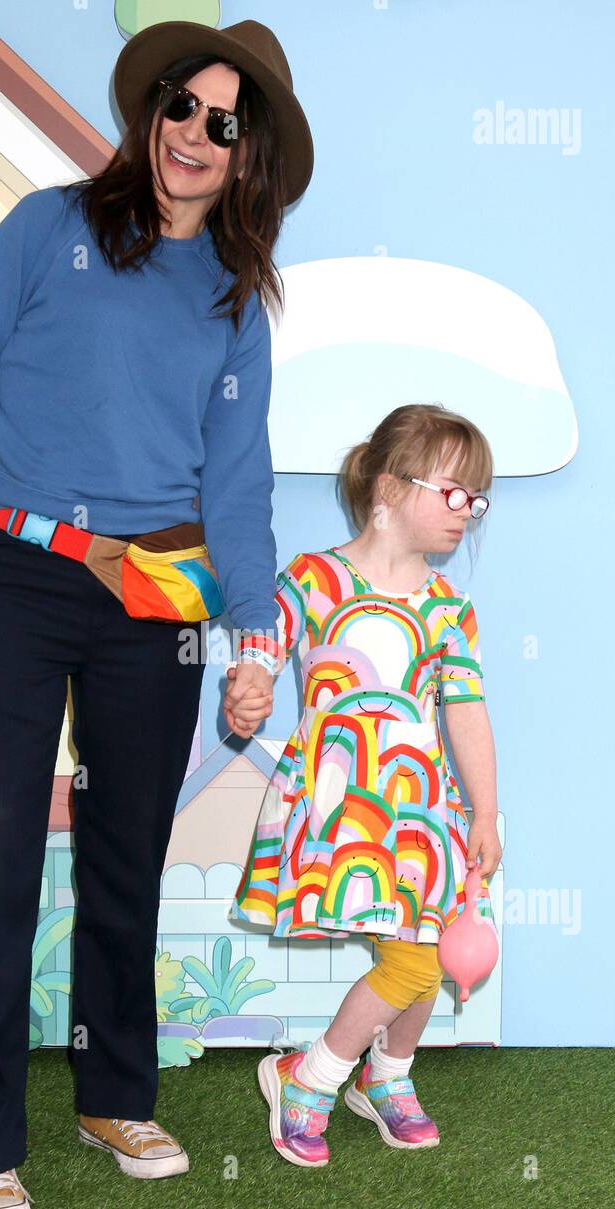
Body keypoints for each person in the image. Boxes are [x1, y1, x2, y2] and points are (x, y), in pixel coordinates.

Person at [0, 18, 314, 1209]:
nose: (195, 132)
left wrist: (255, 638)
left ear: (247, 155)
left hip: (158, 599)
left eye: (223, 122)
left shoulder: (236, 306)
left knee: (126, 852)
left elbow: (237, 492)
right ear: (149, 118)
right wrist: (35, 510)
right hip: (13, 583)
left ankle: (114, 1093)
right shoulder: (47, 228)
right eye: (179, 107)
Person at [225, 404, 503, 1167]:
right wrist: (247, 684)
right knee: (414, 960)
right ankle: (306, 1077)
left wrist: (486, 809)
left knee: (424, 949)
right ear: (388, 487)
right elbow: (262, 645)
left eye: (476, 499)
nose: (467, 513)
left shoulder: (449, 609)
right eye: (454, 493)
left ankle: (386, 1074)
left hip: (422, 809)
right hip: (342, 798)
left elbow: (467, 710)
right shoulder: (316, 579)